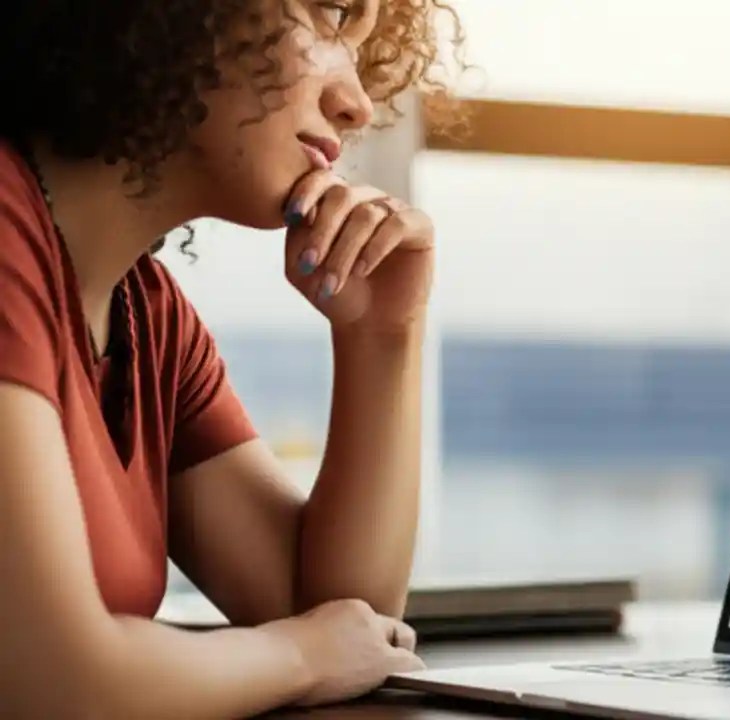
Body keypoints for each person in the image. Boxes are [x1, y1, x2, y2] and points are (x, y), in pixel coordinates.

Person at [0, 2, 462, 716]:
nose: (358, 105)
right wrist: (303, 655)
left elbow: (348, 620)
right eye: (331, 15)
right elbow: (53, 681)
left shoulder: (146, 314)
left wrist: (383, 334)